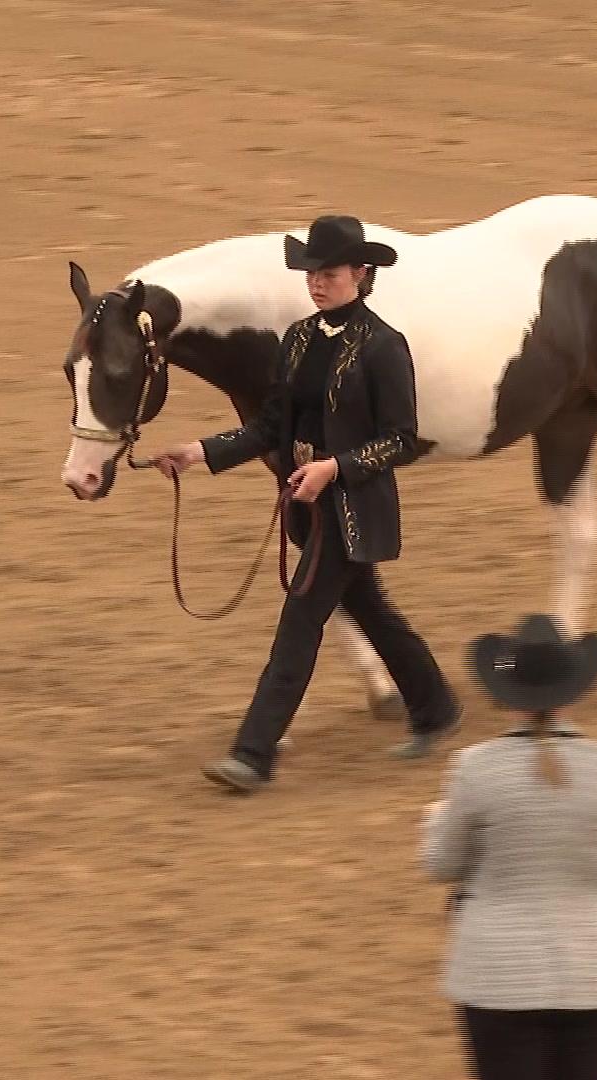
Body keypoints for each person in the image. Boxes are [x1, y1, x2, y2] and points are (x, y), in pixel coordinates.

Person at [149, 213, 463, 794]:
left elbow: (401, 439)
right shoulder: (297, 338)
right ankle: (437, 705)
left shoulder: (385, 347)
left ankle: (253, 754)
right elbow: (272, 424)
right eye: (312, 273)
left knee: (298, 626)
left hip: (351, 511)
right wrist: (200, 451)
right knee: (372, 611)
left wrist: (332, 468)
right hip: (309, 507)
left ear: (362, 275)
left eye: (331, 273)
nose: (318, 283)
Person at [421, 614, 597, 1080]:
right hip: (593, 972)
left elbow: (442, 863)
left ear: (509, 696)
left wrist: (434, 821)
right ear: (573, 692)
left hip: (498, 976)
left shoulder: (475, 768)